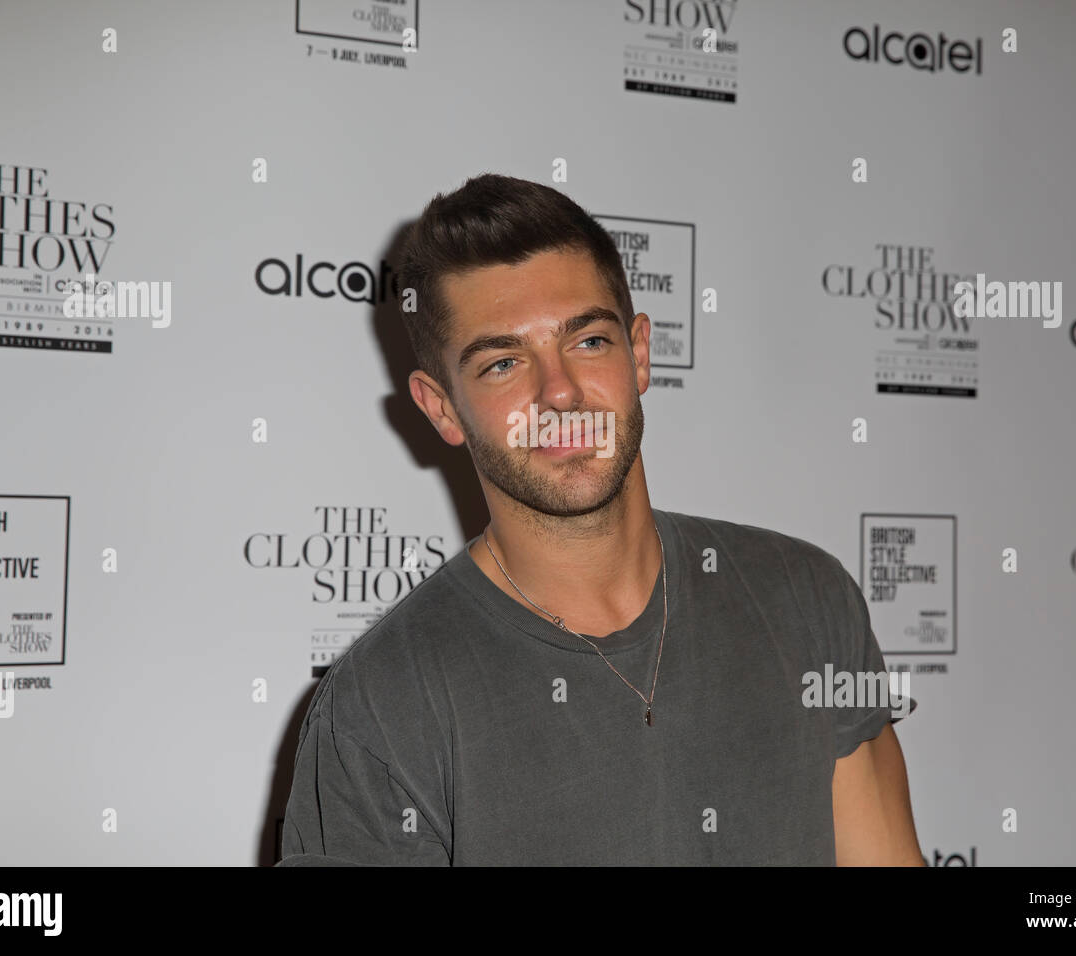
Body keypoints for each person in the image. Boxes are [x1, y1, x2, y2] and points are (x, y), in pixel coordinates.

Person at [278, 173, 925, 865]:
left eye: (587, 342)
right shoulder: (384, 703)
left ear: (639, 353)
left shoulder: (804, 599)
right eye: (502, 363)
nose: (558, 392)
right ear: (441, 408)